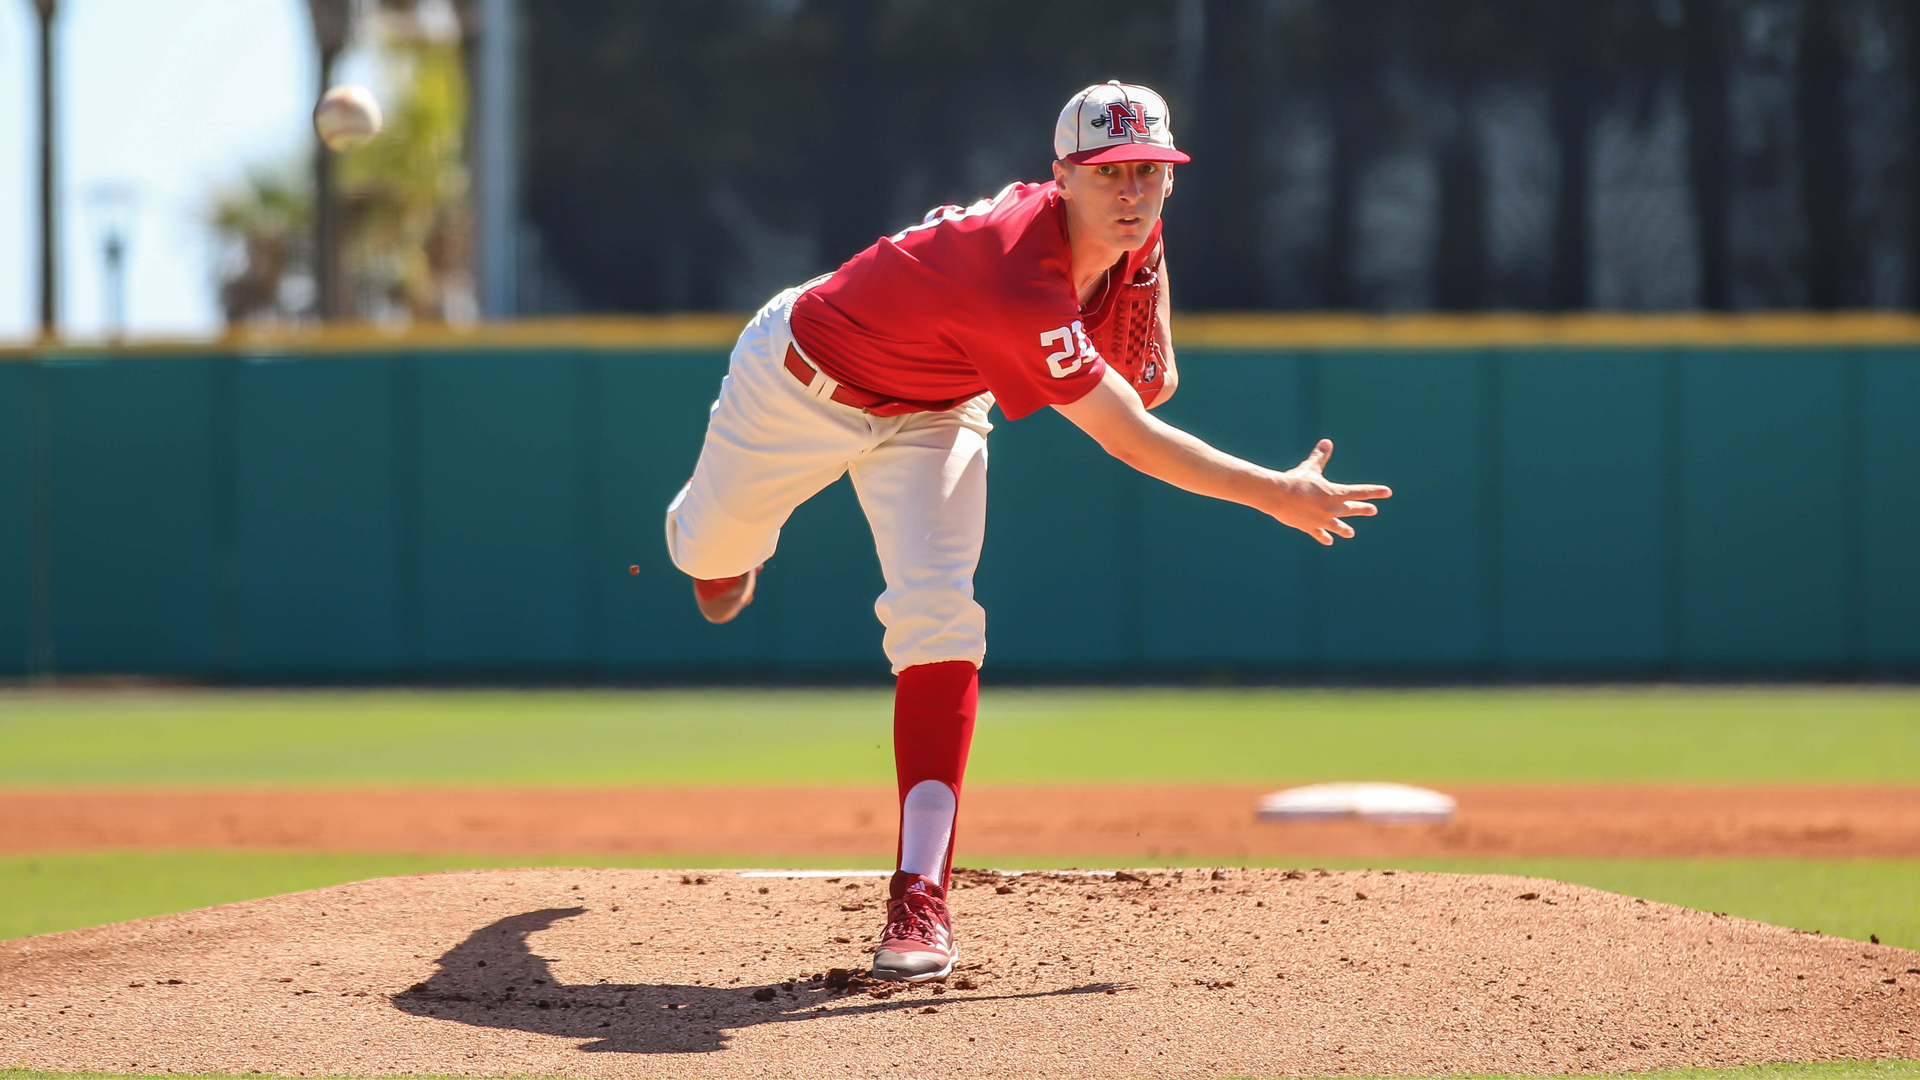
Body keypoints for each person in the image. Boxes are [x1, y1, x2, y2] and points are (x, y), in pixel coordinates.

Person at [664, 81, 1390, 982]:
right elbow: (1130, 435)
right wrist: (1275, 492)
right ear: (1062, 177)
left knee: (939, 617)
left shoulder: (1135, 227)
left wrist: (1145, 342)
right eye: (1108, 173)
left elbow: (1147, 341)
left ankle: (919, 898)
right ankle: (721, 552)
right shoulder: (1015, 276)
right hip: (797, 381)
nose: (1131, 192)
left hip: (938, 405)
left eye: (1150, 172)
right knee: (709, 551)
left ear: (1171, 178)